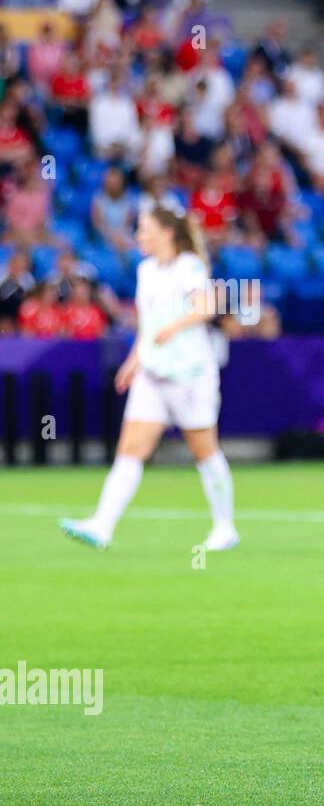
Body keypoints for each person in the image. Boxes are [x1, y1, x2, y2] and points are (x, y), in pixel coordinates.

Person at [60, 207, 238, 552]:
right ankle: (102, 526)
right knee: (129, 451)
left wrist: (174, 326)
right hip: (153, 374)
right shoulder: (145, 271)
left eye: (144, 230)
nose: (139, 236)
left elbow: (206, 307)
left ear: (167, 233)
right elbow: (147, 326)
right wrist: (134, 361)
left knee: (204, 450)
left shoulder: (189, 267)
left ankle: (225, 526)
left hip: (190, 374)